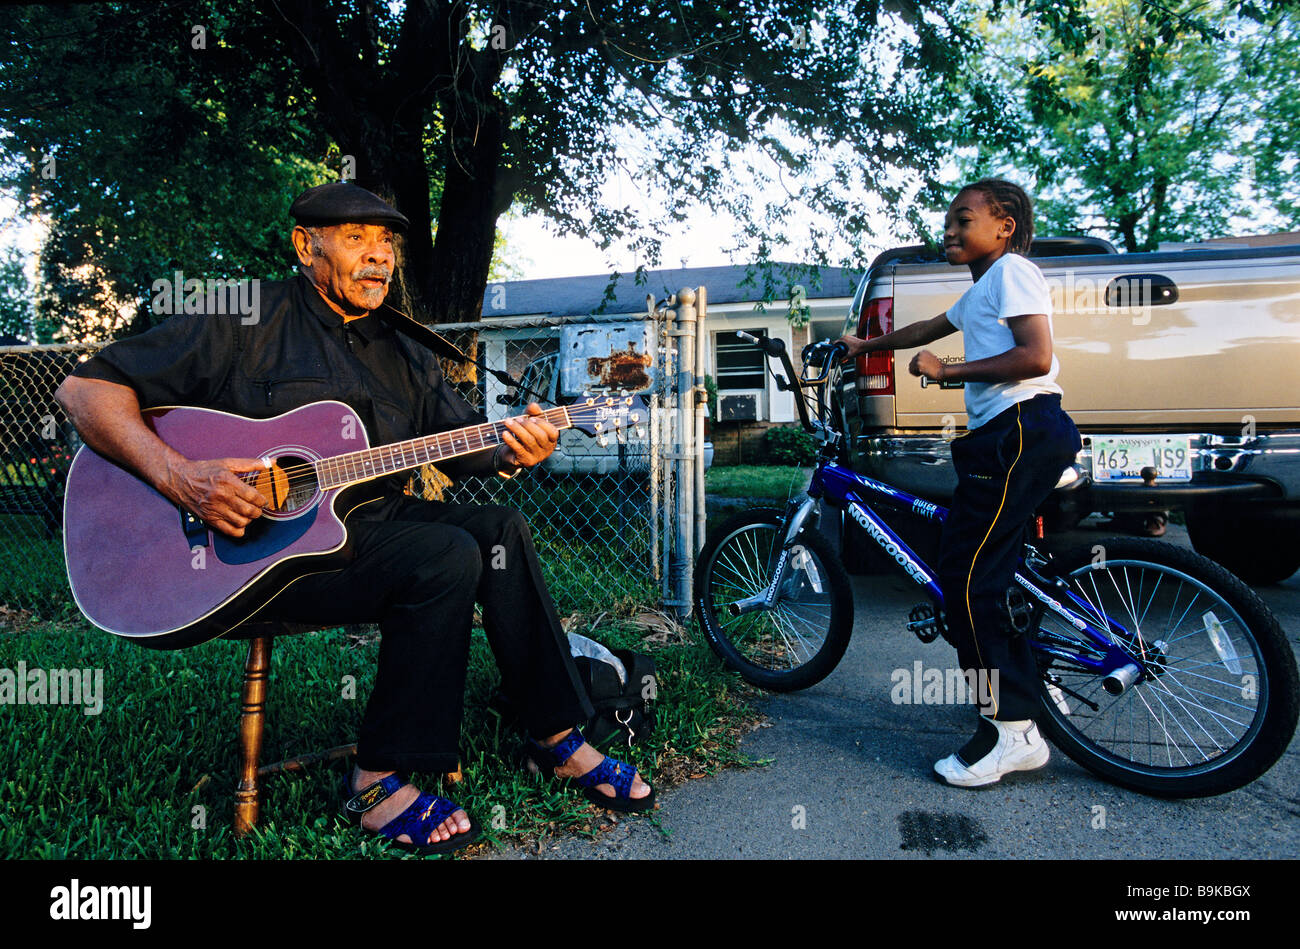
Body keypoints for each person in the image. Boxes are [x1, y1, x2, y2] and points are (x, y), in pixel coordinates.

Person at [54, 181, 653, 854]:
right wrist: (181, 477)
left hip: (374, 536)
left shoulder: (403, 348)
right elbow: (83, 390)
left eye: (387, 241)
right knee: (446, 553)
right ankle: (376, 780)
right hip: (263, 557)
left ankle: (553, 731)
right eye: (356, 238)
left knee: (500, 530)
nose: (378, 258)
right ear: (307, 246)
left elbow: (464, 451)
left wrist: (522, 447)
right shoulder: (243, 319)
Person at [838, 178, 1081, 788]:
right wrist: (866, 343)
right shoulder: (983, 289)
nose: (950, 228)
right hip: (1009, 436)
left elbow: (1036, 358)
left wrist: (949, 372)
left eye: (964, 218)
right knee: (988, 569)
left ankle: (1013, 730)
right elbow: (923, 330)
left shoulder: (1014, 271)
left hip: (1018, 430)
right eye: (948, 218)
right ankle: (1026, 679)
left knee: (967, 579)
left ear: (1004, 227)